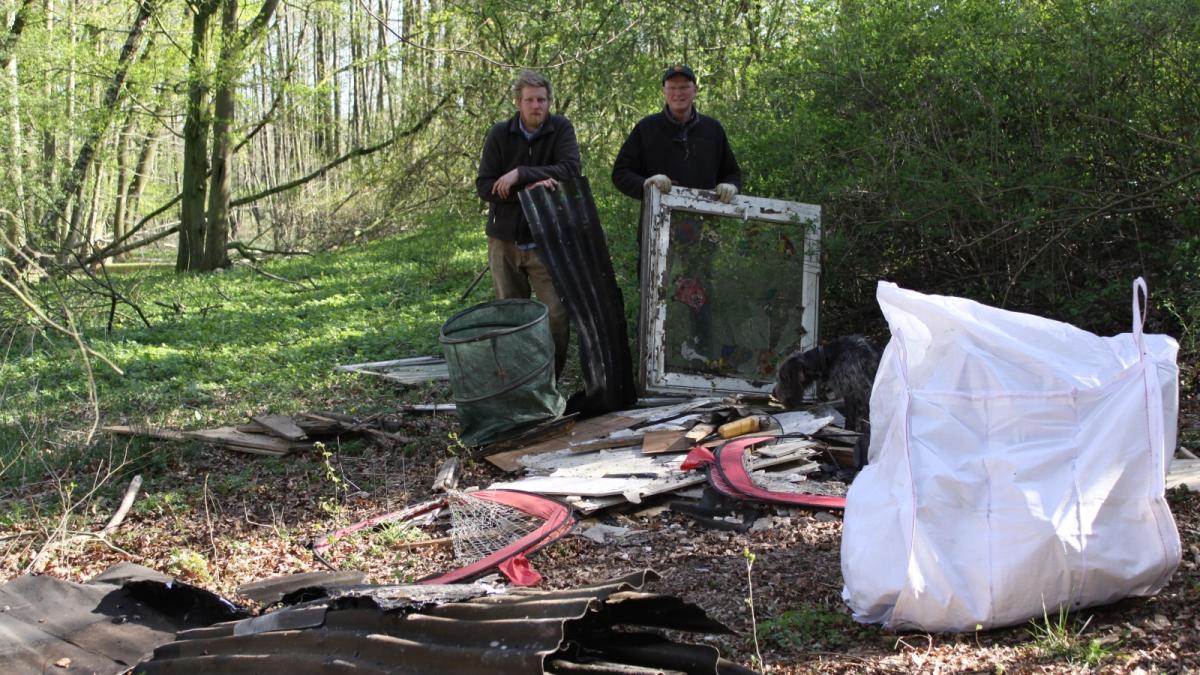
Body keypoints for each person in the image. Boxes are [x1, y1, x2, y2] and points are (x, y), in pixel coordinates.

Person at [476, 70, 581, 378]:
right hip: (504, 240)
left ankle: (549, 383)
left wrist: (521, 174)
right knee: (511, 317)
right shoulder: (499, 134)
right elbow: (485, 187)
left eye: (542, 100)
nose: (537, 106)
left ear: (549, 101)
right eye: (530, 100)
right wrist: (531, 189)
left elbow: (571, 170)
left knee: (556, 318)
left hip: (546, 240)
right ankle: (518, 383)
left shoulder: (560, 129)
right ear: (518, 103)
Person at [611, 64, 741, 204]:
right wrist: (645, 184)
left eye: (684, 87)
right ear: (664, 92)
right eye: (672, 88)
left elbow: (732, 173)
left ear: (695, 90)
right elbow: (621, 173)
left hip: (705, 221)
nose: (678, 93)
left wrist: (731, 185)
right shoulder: (646, 128)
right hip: (657, 220)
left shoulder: (713, 129)